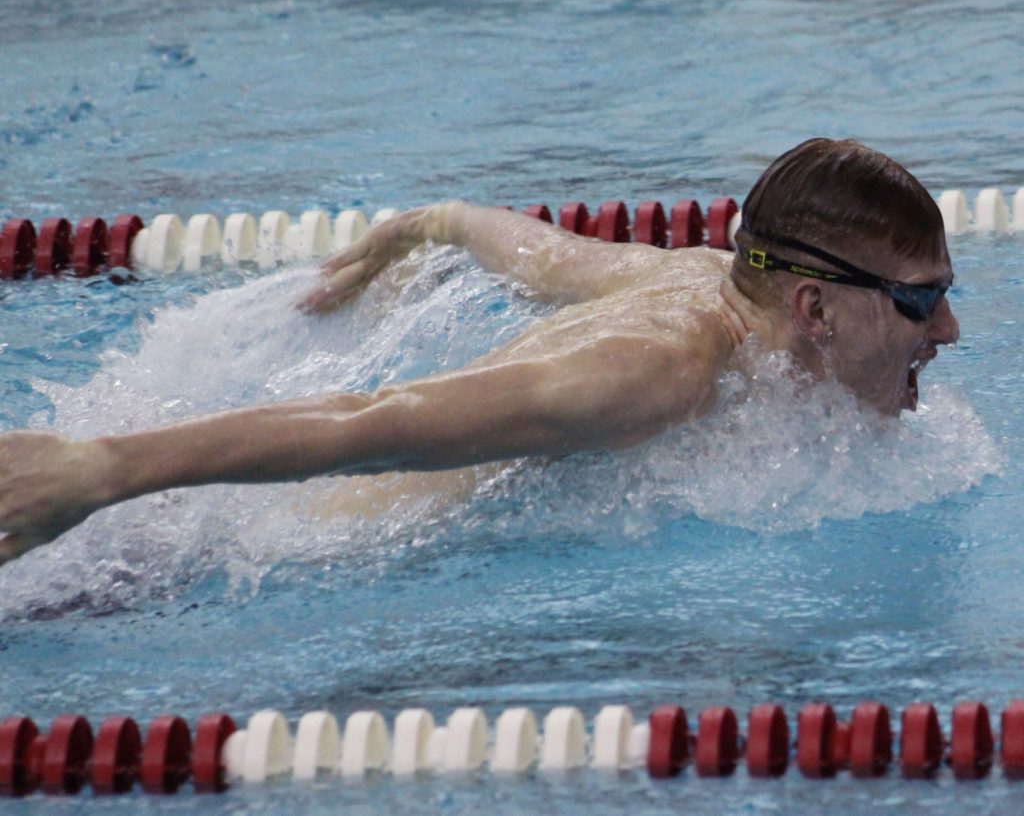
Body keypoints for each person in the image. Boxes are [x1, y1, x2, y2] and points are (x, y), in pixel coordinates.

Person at [0, 138, 959, 566]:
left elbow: (543, 252)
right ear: (815, 307)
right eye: (923, 303)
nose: (948, 333)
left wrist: (439, 221)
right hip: (224, 554)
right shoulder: (659, 371)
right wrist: (98, 470)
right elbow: (371, 424)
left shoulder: (706, 276)